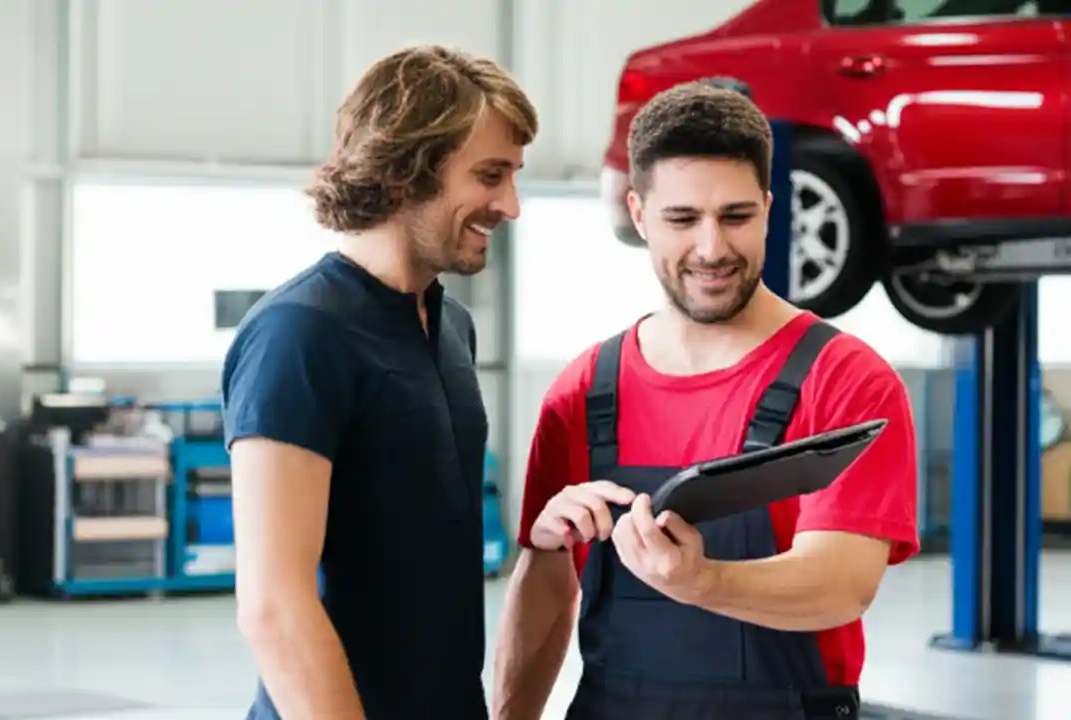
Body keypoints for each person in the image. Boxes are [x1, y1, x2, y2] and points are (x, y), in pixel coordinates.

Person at [491, 81, 920, 719]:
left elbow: (842, 585)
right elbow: (548, 587)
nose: (713, 248)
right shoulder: (583, 392)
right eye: (683, 219)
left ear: (771, 210)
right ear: (638, 214)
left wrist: (701, 582)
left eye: (736, 216)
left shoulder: (846, 380)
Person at [221, 45, 538, 720]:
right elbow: (274, 605)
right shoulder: (300, 335)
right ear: (404, 175)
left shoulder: (451, 325)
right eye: (490, 175)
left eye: (512, 176)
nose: (509, 205)